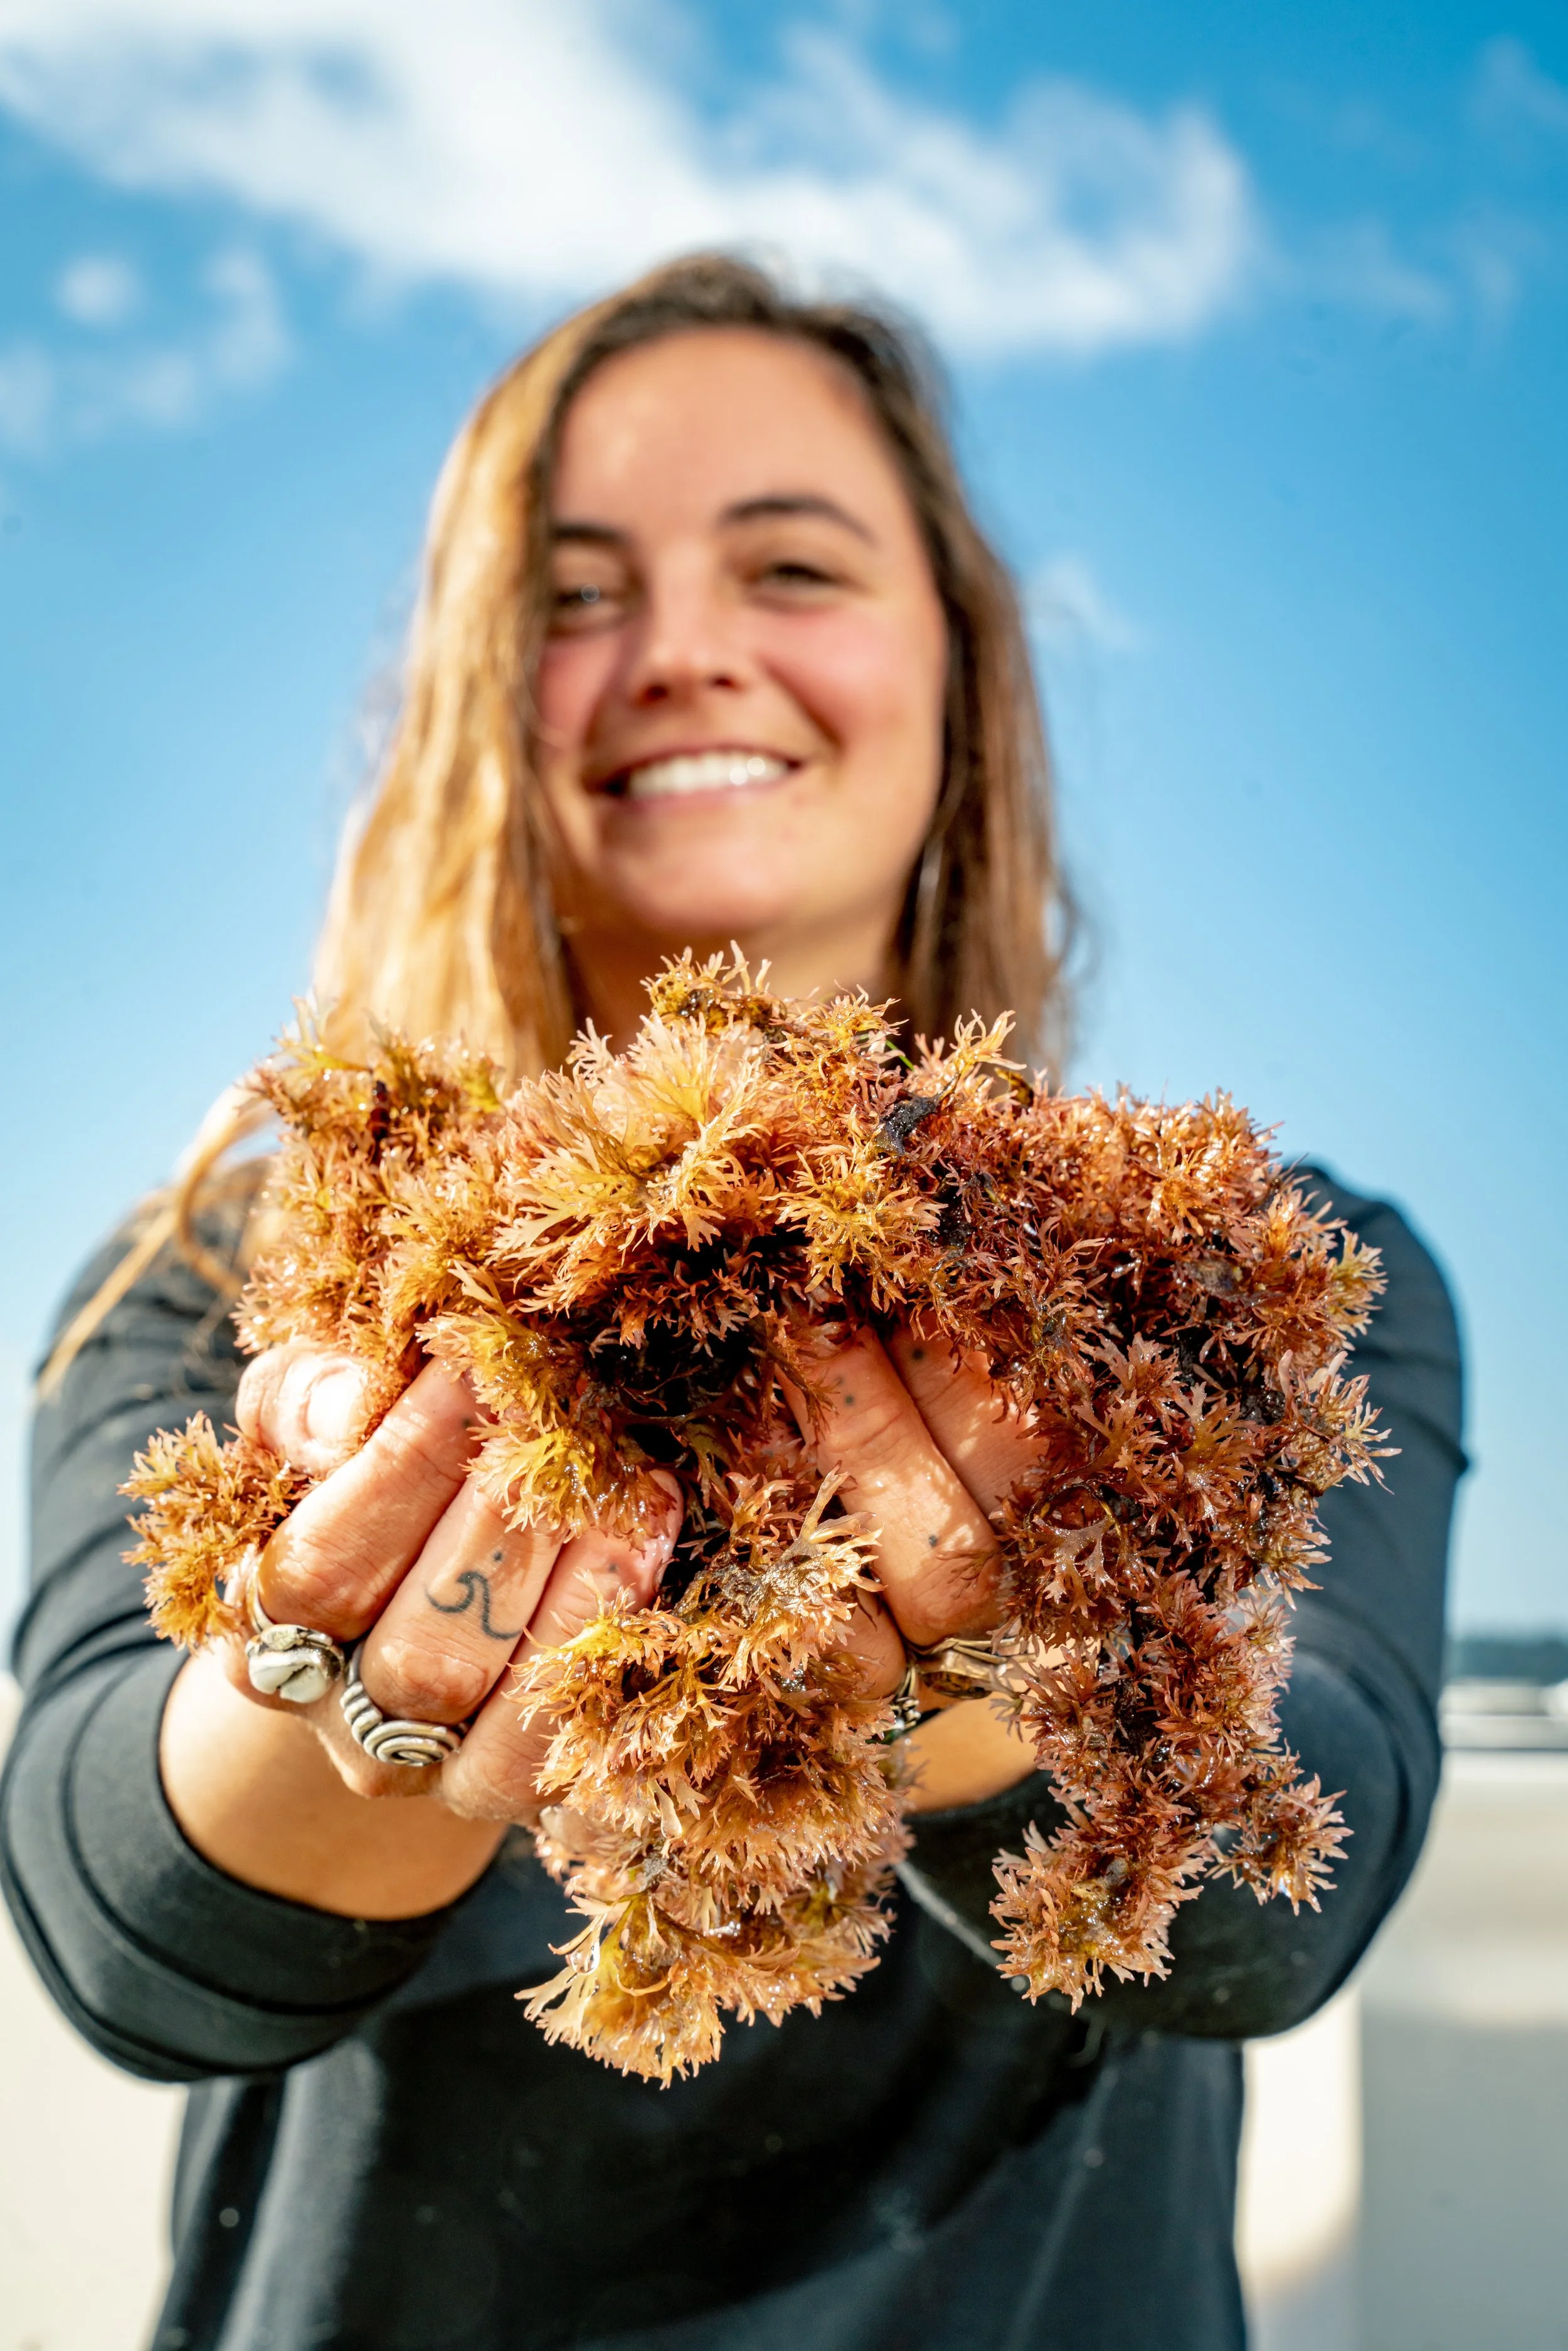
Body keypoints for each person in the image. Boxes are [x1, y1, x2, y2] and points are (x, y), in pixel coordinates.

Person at [3, 255, 1463, 2351]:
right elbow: (125, 1922)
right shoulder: (236, 1279)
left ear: (961, 664)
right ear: (478, 704)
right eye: (572, 596)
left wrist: (960, 1644)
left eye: (788, 563)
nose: (679, 652)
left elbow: (1251, 1891)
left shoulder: (1250, 1278)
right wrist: (344, 1638)